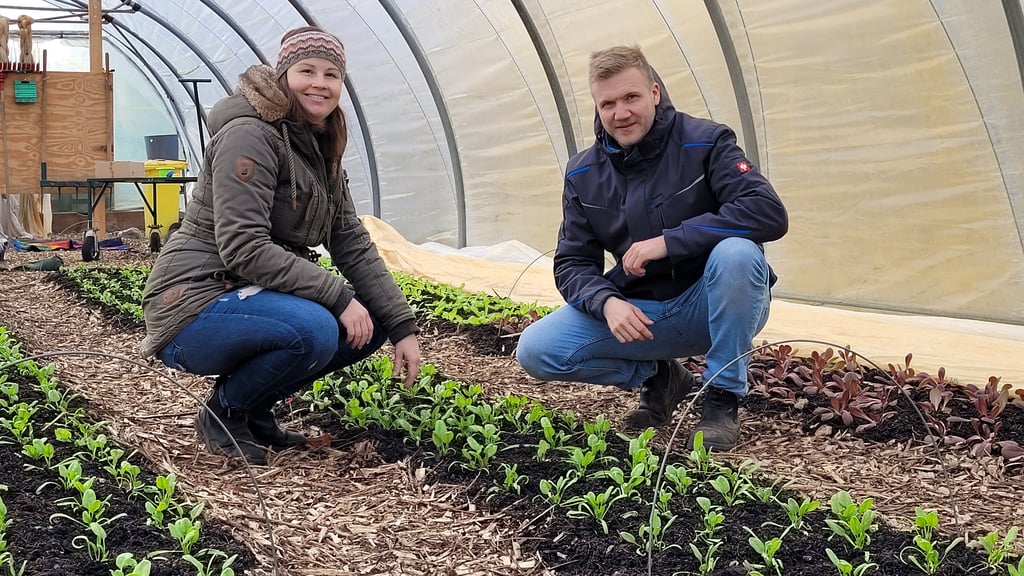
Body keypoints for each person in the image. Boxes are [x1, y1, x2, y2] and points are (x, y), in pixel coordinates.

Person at [140, 27, 421, 466]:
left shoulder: (319, 142)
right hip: (193, 303)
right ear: (283, 74)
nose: (319, 83)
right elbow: (243, 247)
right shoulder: (250, 135)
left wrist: (401, 324)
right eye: (306, 70)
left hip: (247, 295)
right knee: (315, 329)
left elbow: (350, 240)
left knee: (373, 319)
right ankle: (225, 411)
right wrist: (337, 296)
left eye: (331, 74)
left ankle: (254, 408)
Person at [515, 45, 788, 452]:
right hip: (645, 313)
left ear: (655, 93)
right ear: (597, 106)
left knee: (738, 253)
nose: (620, 113)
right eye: (607, 103)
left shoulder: (706, 142)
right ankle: (659, 377)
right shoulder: (583, 173)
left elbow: (766, 212)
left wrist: (668, 242)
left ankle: (722, 397)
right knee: (537, 351)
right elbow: (573, 261)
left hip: (708, 303)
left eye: (631, 97)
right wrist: (607, 302)